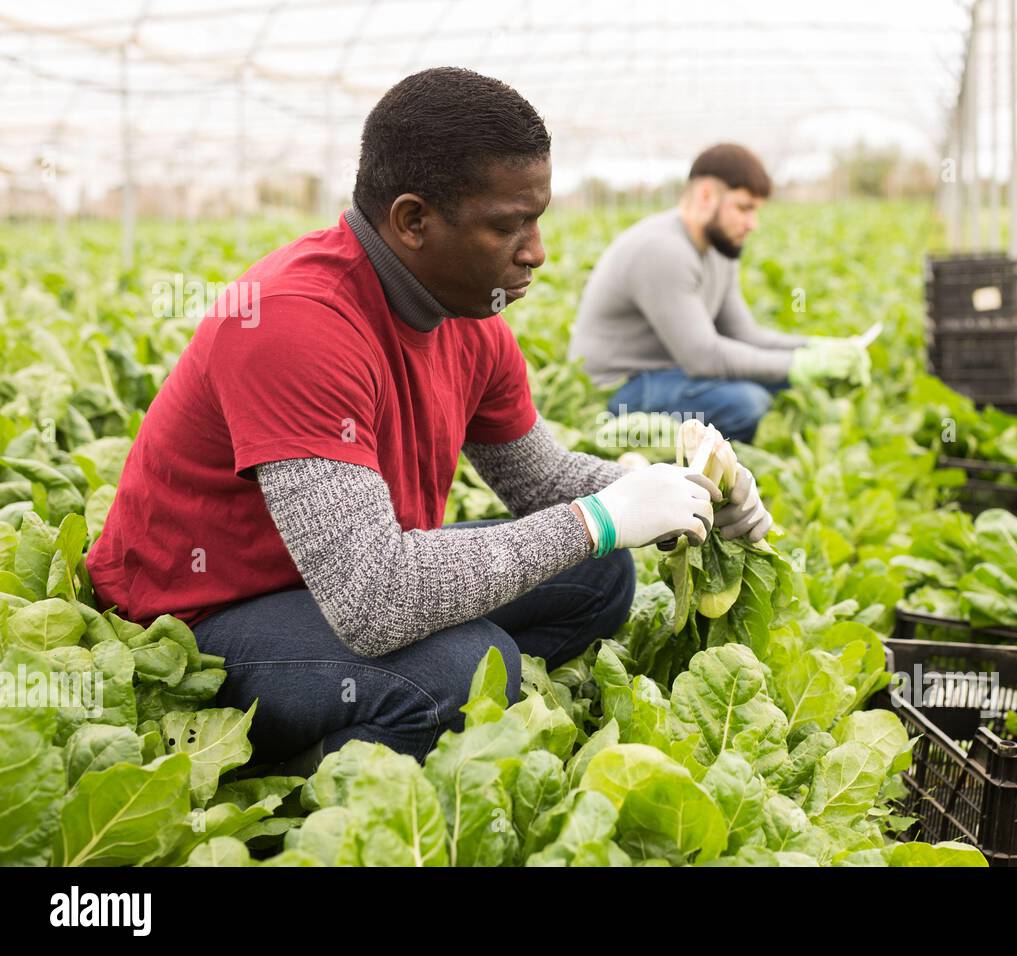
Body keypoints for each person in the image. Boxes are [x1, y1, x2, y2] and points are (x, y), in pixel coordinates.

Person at [85, 68, 773, 777]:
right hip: (201, 618)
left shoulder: (471, 313)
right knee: (466, 669)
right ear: (413, 221)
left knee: (601, 579)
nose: (536, 249)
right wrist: (598, 518)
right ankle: (293, 762)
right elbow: (373, 599)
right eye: (509, 225)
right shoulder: (294, 322)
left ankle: (421, 709)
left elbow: (541, 479)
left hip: (343, 581)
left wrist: (677, 495)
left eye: (537, 219)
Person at [568, 143, 869, 443]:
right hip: (617, 388)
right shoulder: (662, 250)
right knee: (746, 403)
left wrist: (817, 348)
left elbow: (746, 336)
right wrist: (798, 365)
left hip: (671, 371)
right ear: (706, 196)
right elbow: (704, 357)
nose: (752, 224)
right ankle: (674, 462)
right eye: (743, 208)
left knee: (777, 380)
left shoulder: (719, 249)